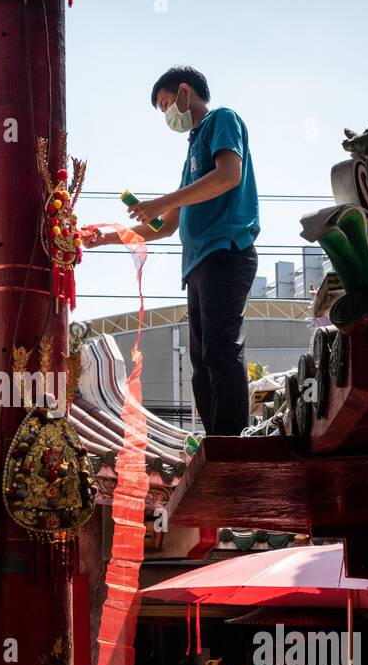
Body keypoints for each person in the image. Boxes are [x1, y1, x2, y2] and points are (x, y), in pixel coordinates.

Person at [83, 65, 260, 436]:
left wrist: (160, 201)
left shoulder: (222, 120)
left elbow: (229, 176)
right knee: (202, 359)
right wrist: (108, 237)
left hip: (225, 252)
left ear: (184, 92)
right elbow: (165, 226)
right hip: (198, 265)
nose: (167, 115)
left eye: (166, 104)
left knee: (220, 351)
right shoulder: (192, 150)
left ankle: (232, 446)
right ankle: (216, 440)